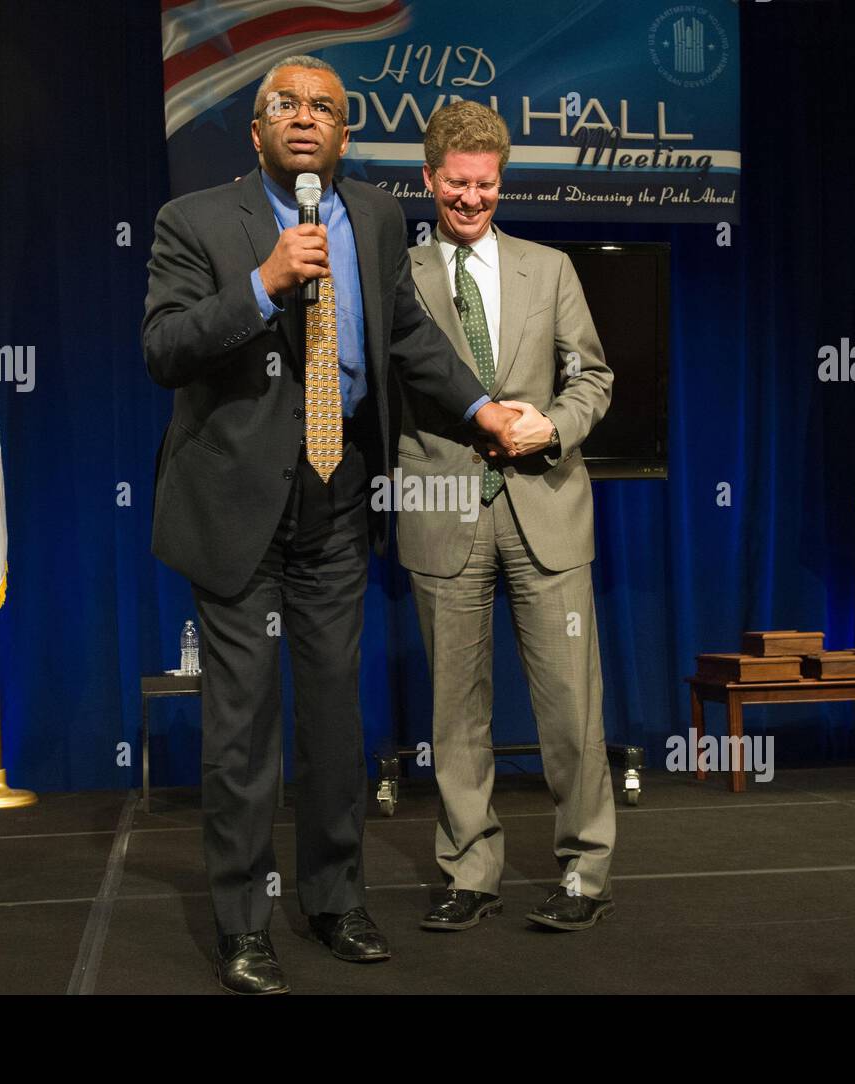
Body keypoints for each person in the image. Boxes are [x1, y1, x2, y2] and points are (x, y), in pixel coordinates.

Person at [141, 57, 519, 995]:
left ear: (346, 135)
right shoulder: (192, 222)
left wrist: (483, 410)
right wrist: (265, 284)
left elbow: (404, 334)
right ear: (258, 128)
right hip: (236, 504)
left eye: (325, 109)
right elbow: (164, 348)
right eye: (285, 106)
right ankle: (241, 925)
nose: (305, 119)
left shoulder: (379, 217)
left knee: (336, 720)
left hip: (338, 494)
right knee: (242, 729)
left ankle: (335, 898)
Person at [396, 100, 616, 933]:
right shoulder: (399, 272)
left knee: (570, 708)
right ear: (429, 178)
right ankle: (468, 872)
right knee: (455, 713)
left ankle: (585, 873)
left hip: (546, 507)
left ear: (502, 181)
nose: (471, 200)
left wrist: (554, 424)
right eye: (457, 185)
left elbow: (592, 377)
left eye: (485, 186)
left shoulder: (550, 268)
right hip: (441, 507)